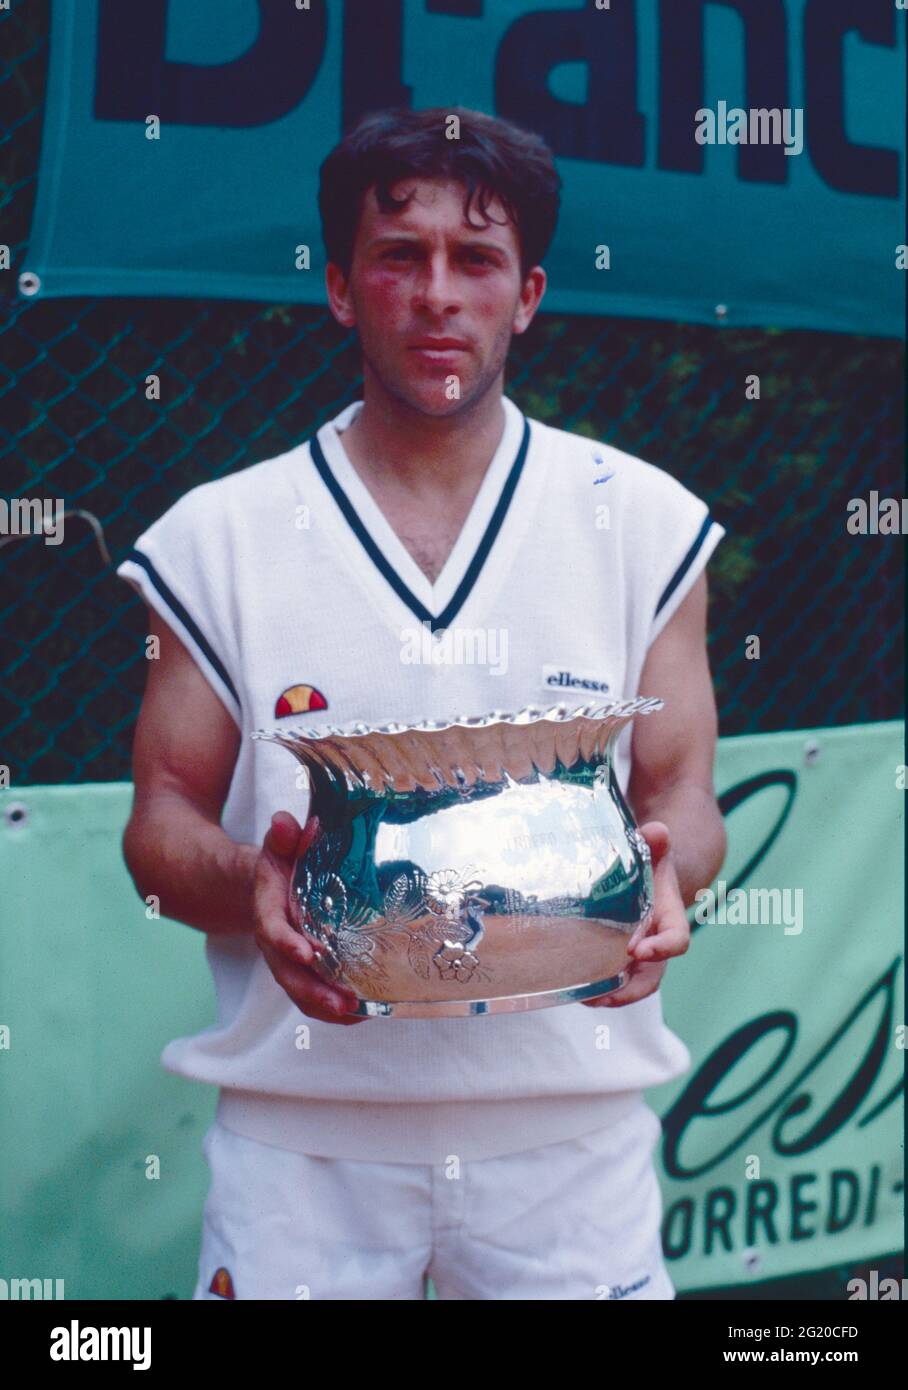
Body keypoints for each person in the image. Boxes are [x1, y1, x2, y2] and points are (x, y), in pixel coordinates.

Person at [118, 106, 727, 1301]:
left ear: (528, 294)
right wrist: (253, 883)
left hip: (568, 1142)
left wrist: (670, 871)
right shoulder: (220, 535)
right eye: (399, 258)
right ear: (343, 289)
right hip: (307, 1145)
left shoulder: (642, 521)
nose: (436, 294)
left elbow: (683, 794)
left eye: (475, 260)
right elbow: (159, 823)